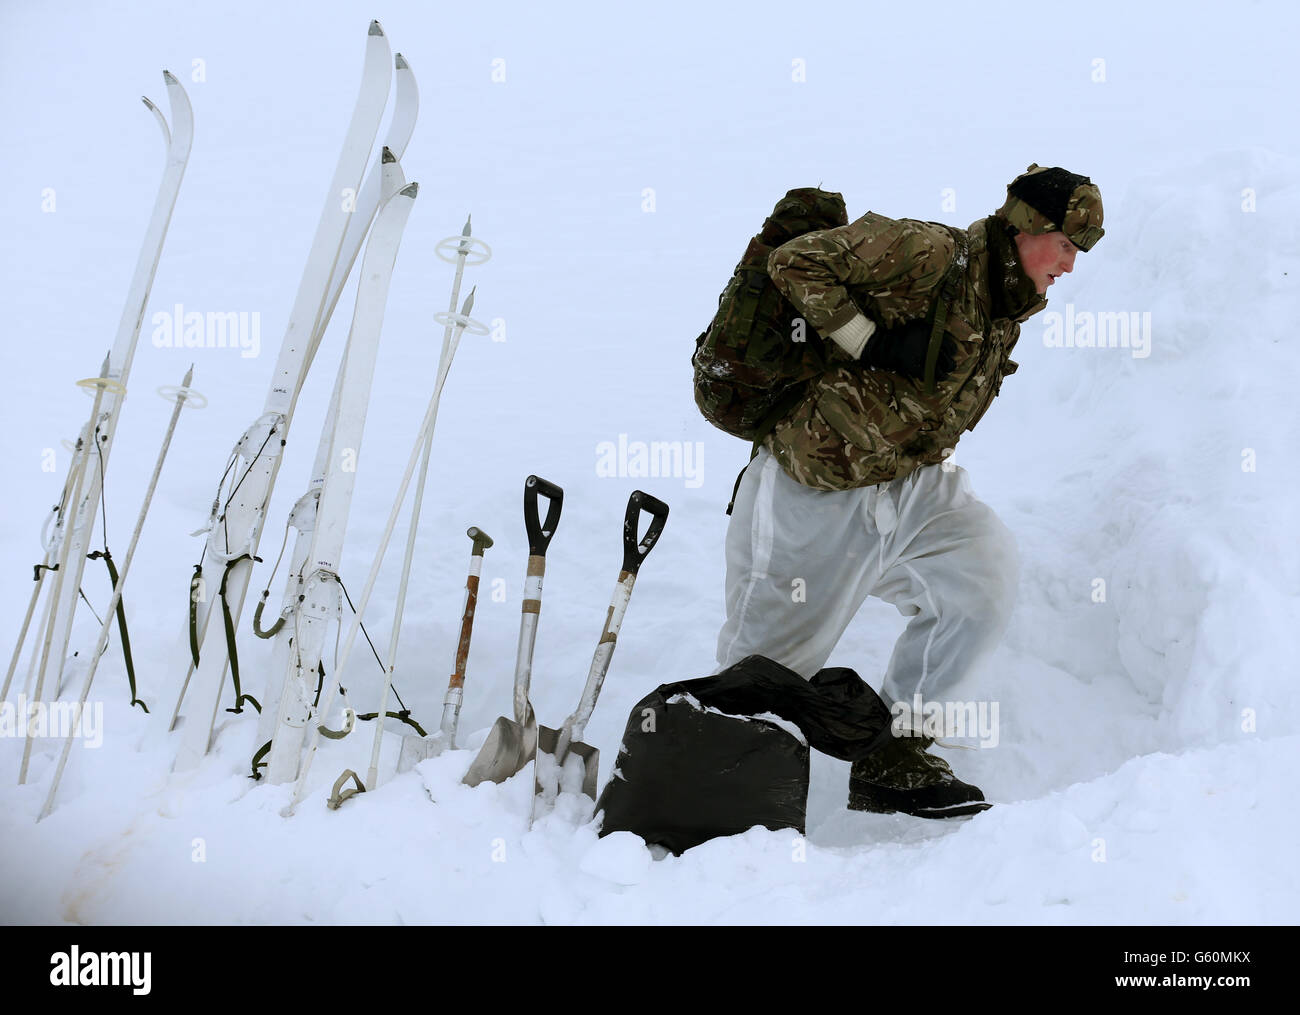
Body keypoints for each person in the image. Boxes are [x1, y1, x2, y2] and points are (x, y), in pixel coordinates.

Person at [715, 165, 1104, 818]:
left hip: (915, 484)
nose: (1068, 265)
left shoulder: (1004, 302)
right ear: (1028, 228)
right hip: (820, 488)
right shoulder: (927, 254)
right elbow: (795, 262)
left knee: (982, 581)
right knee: (766, 672)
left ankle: (894, 757)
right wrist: (867, 339)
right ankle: (710, 792)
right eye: (1065, 246)